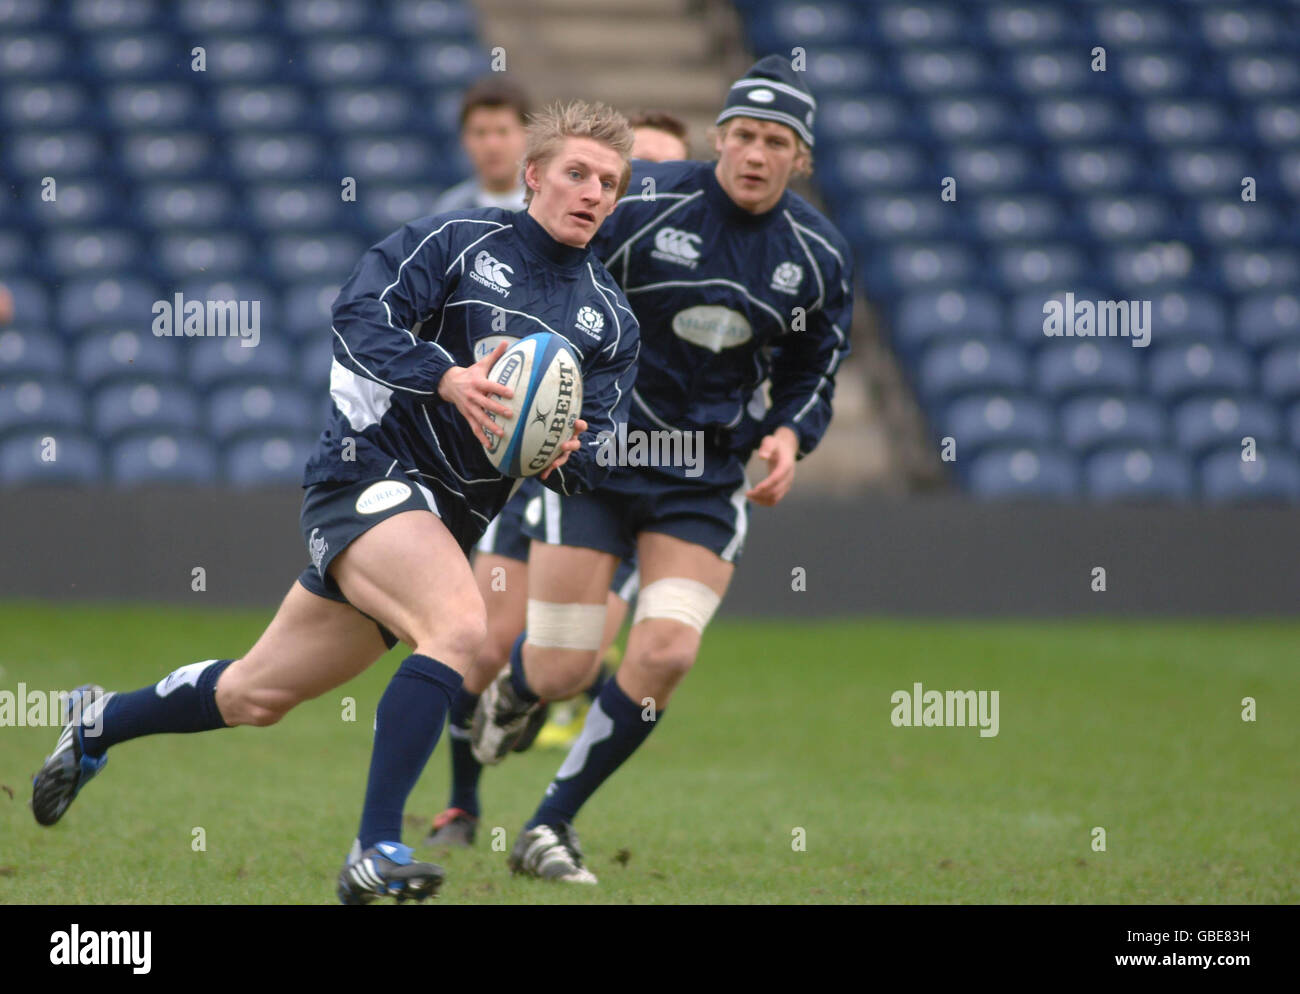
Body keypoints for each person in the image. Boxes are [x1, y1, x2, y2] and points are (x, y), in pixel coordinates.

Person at [29, 101, 641, 904]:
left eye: (609, 181)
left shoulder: (613, 321)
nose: (592, 190)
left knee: (257, 695)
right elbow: (357, 316)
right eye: (576, 172)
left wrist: (566, 454)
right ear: (533, 176)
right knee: (459, 627)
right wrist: (445, 376)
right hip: (368, 475)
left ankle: (98, 723)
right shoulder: (455, 241)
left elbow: (601, 450)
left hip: (445, 525)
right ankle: (373, 852)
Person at [471, 56, 855, 884]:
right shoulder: (645, 200)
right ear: (719, 137)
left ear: (800, 158)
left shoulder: (818, 253)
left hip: (705, 479)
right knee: (566, 666)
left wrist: (791, 432)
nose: (756, 153)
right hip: (600, 464)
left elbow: (816, 363)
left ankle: (549, 825)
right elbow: (551, 265)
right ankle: (512, 693)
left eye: (776, 141)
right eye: (744, 135)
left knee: (667, 652)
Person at [425, 110, 695, 849]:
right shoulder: (558, 247)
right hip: (553, 463)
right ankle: (461, 806)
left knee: (569, 666)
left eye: (668, 175)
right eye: (643, 175)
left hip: (642, 476)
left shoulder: (698, 266)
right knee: (481, 640)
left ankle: (527, 700)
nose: (648, 193)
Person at [433, 77, 531, 213]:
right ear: (464, 139)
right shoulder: (449, 212)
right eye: (480, 133)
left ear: (527, 134)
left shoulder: (550, 208)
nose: (492, 145)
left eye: (503, 132)